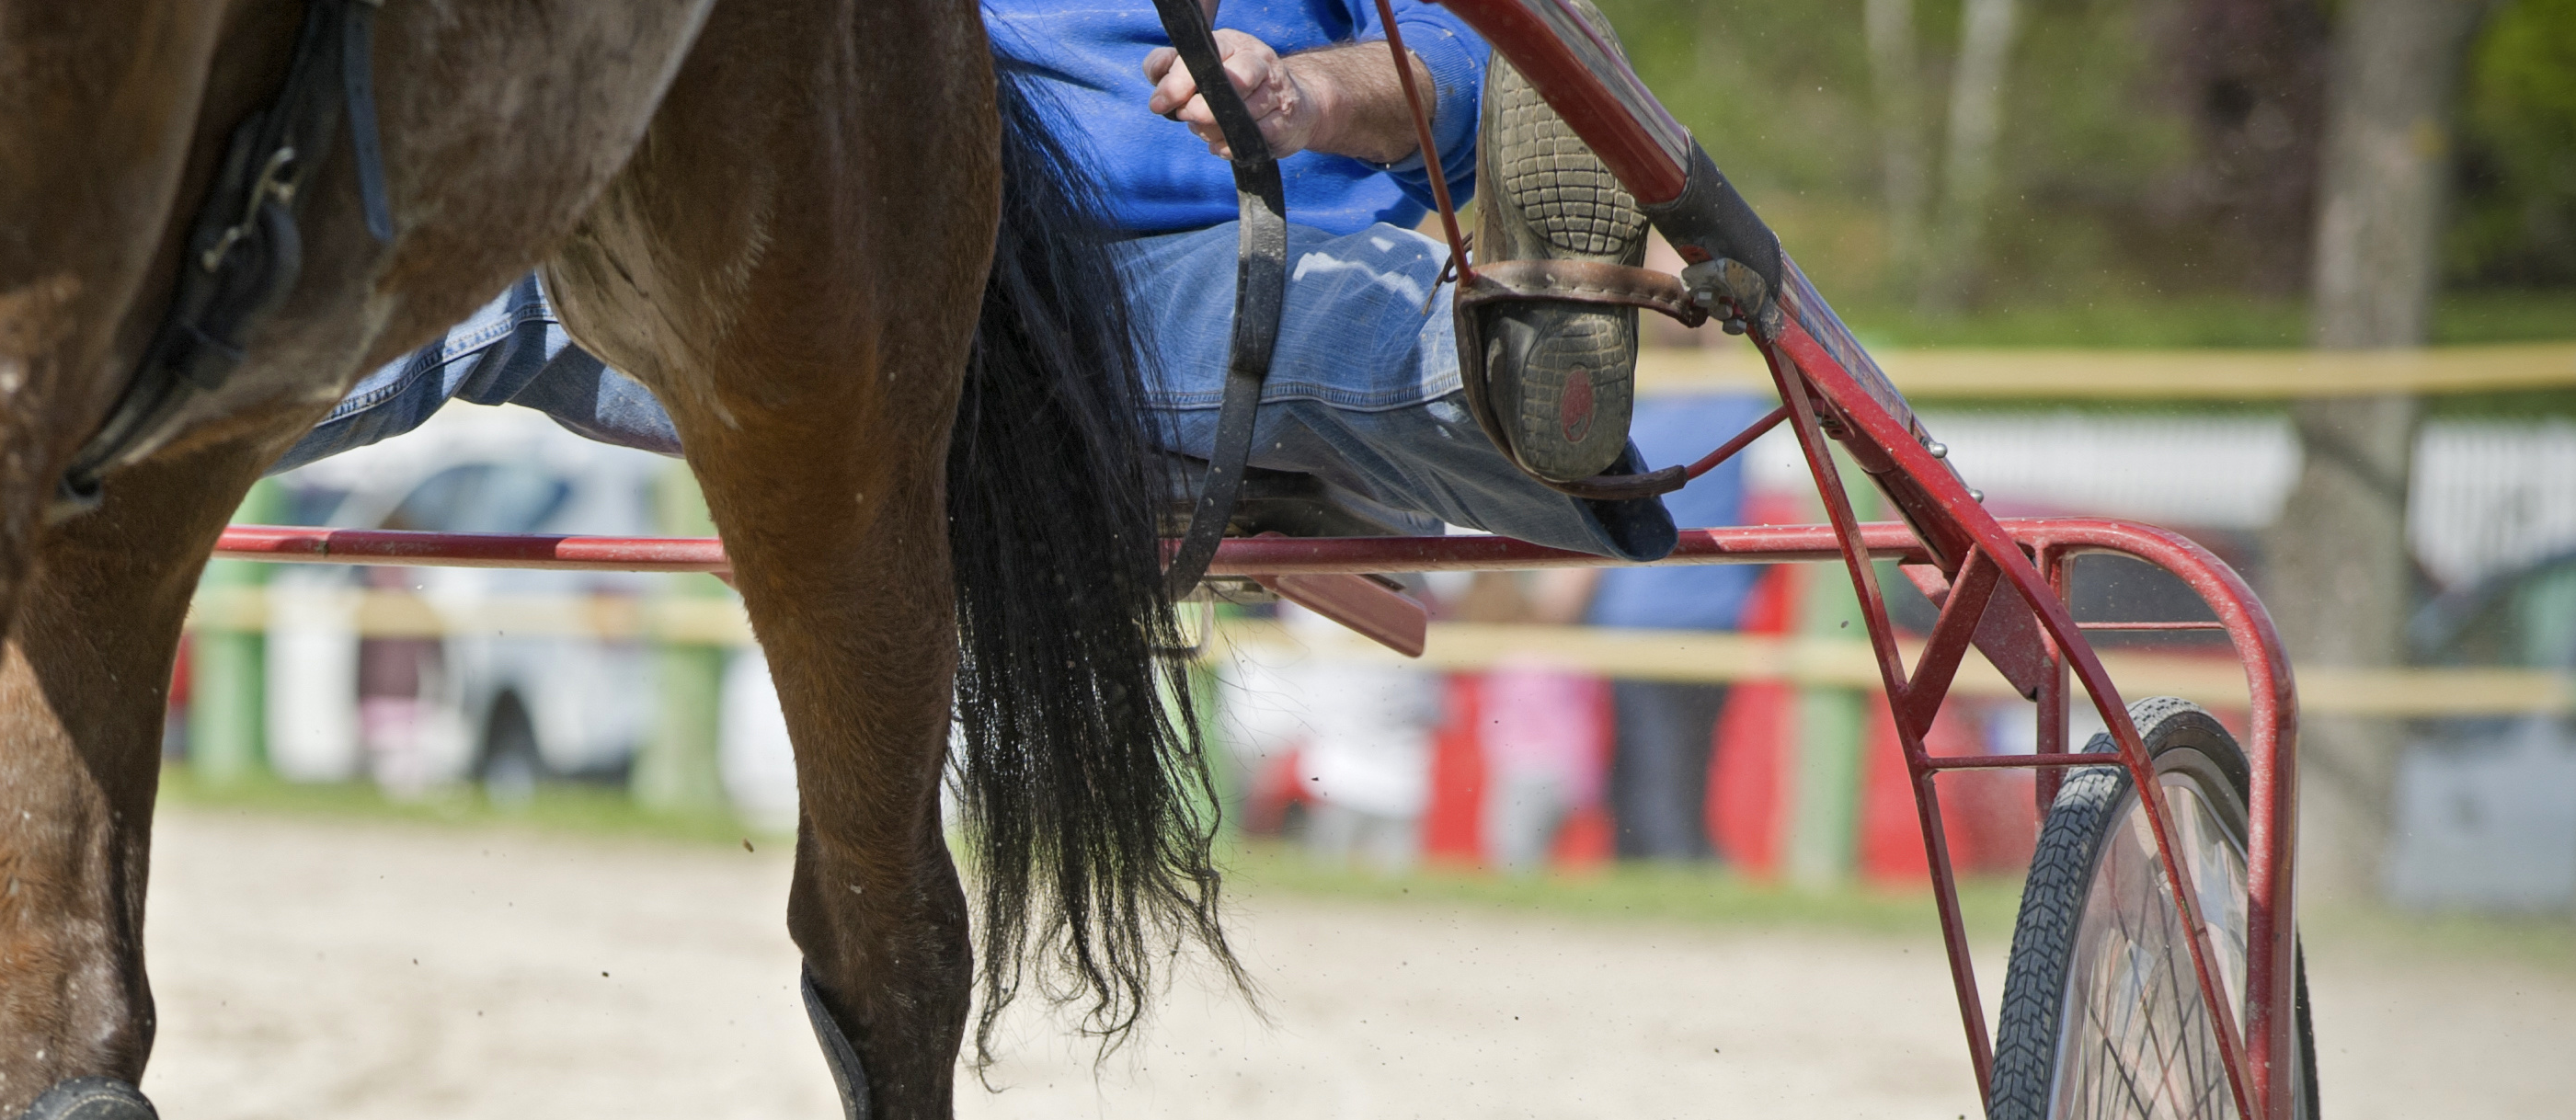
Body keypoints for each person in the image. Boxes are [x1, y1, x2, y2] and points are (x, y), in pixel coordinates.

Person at [275, 1, 1668, 567]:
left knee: (1381, 340)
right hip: (868, 272)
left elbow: (1473, 59)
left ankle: (1542, 390)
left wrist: (1301, 87)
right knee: (500, 271)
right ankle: (128, 425)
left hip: (1199, 260)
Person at [1584, 370, 1768, 863]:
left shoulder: (1624, 405)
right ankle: (1673, 877)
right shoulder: (1735, 403)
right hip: (1711, 618)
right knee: (1676, 778)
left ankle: (1671, 880)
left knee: (1651, 783)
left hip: (1644, 622)